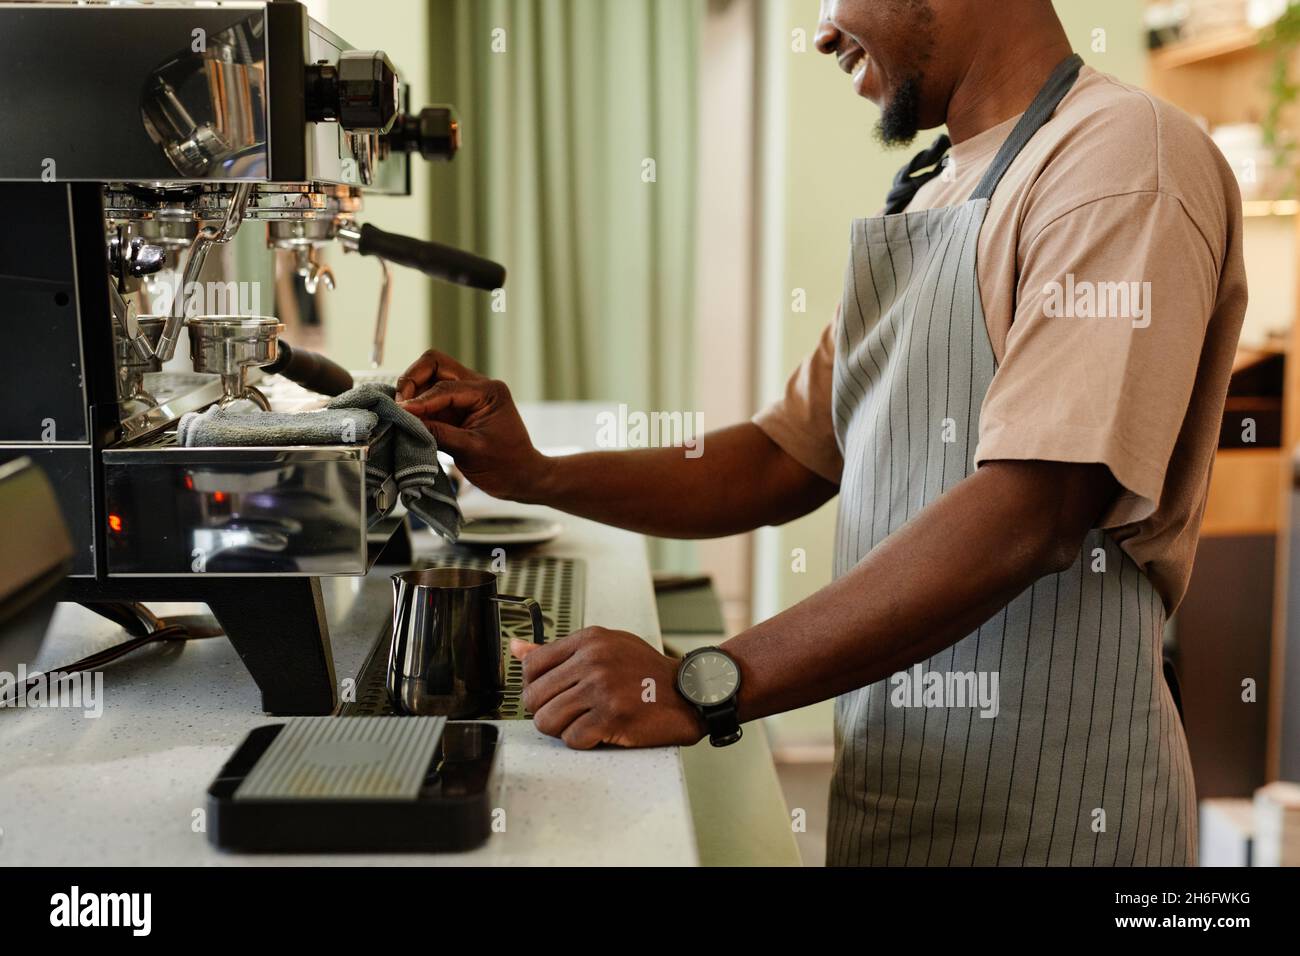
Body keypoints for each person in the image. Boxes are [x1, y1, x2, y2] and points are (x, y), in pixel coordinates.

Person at [396, 0, 1247, 866]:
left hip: (1050, 818)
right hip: (898, 794)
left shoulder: (1120, 159)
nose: (820, 30)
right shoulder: (941, 185)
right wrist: (537, 473)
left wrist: (702, 684)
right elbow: (781, 457)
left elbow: (1036, 509)